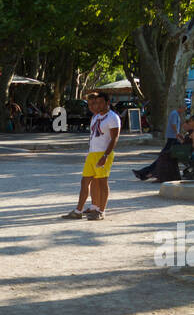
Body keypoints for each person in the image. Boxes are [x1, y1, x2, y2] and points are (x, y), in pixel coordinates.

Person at [60, 91, 121, 220]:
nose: (97, 105)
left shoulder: (113, 117)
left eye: (100, 102)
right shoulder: (96, 117)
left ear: (107, 103)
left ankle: (101, 211)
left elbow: (114, 138)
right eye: (95, 103)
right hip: (92, 154)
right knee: (85, 181)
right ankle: (78, 211)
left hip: (103, 154)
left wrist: (105, 156)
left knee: (102, 182)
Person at [133, 105, 183, 182]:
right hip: (172, 138)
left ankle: (144, 173)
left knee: (162, 158)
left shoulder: (176, 114)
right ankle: (144, 173)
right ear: (180, 107)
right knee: (162, 157)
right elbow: (174, 125)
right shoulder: (174, 114)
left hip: (174, 138)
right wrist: (177, 134)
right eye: (184, 108)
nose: (184, 109)